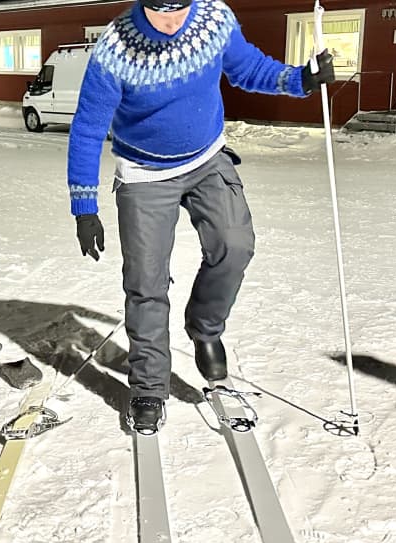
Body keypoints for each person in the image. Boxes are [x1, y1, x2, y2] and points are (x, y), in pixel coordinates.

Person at [66, 0, 335, 435]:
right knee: (146, 281)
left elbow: (248, 69)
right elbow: (88, 126)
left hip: (208, 159)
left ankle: (205, 329)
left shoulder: (214, 20)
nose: (172, 23)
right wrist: (84, 206)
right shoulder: (115, 48)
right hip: (144, 173)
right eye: (160, 14)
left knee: (235, 244)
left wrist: (300, 78)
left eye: (179, 11)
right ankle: (149, 386)